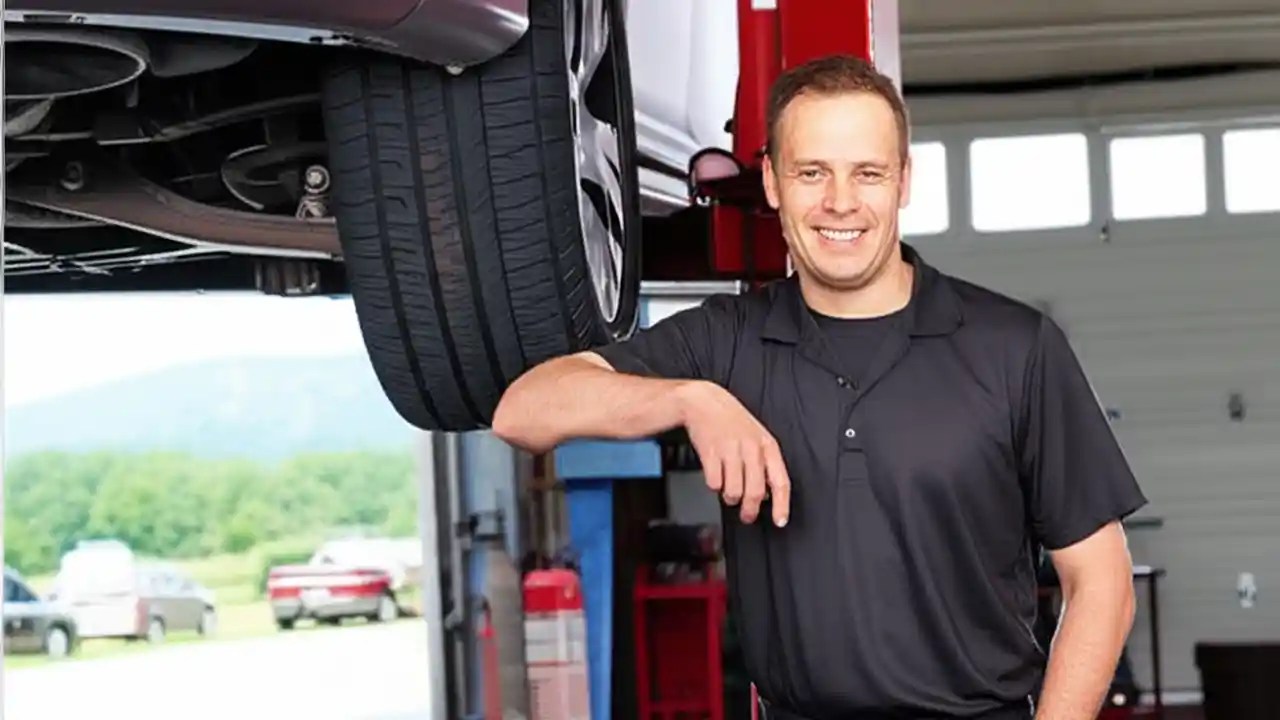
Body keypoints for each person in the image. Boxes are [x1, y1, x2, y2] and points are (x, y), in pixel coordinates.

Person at [492, 54, 1148, 720]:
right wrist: (689, 399)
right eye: (812, 173)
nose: (840, 202)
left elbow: (1101, 582)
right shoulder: (727, 342)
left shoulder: (1014, 348)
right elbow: (525, 410)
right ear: (773, 182)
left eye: (868, 173)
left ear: (904, 182)